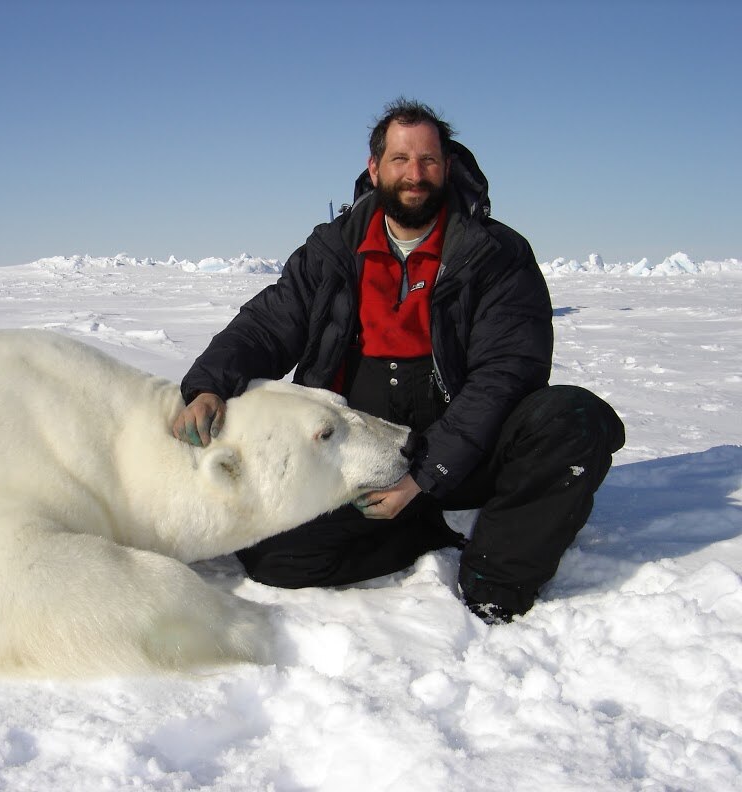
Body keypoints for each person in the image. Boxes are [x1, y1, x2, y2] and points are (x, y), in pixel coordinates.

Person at [171, 98, 625, 624]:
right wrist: (207, 385)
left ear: (447, 166)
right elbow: (268, 325)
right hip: (363, 458)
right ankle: (428, 528)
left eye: (429, 160)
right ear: (375, 168)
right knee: (273, 555)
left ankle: (496, 579)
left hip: (468, 452)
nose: (415, 174)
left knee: (571, 420)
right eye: (401, 160)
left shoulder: (495, 254)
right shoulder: (334, 249)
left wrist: (425, 477)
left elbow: (505, 377)